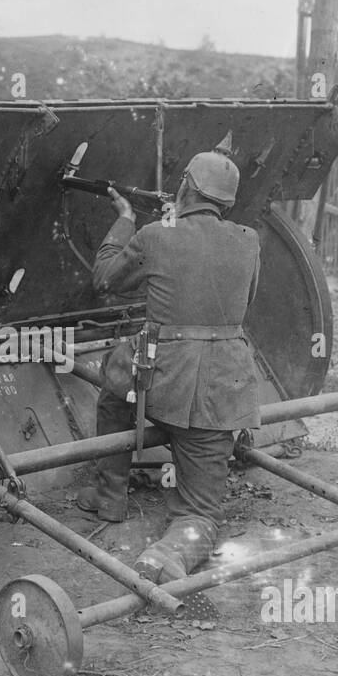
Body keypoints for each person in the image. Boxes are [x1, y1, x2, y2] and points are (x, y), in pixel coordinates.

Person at [76, 144, 261, 583]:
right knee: (201, 511)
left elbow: (105, 279)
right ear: (227, 201)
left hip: (159, 386)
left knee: (115, 377)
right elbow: (244, 302)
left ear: (185, 187)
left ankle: (111, 493)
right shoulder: (249, 240)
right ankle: (172, 552)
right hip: (222, 394)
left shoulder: (156, 235)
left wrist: (125, 219)